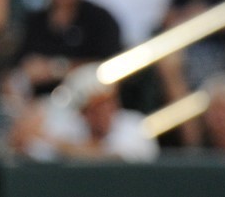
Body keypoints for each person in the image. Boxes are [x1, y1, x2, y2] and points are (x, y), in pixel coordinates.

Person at [6, 0, 122, 99]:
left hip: (89, 108)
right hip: (40, 105)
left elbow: (110, 68)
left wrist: (55, 69)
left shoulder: (99, 18)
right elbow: (17, 67)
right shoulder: (36, 21)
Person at [8, 63, 159, 163]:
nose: (105, 113)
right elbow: (23, 143)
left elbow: (111, 159)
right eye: (96, 108)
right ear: (83, 113)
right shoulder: (73, 128)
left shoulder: (134, 125)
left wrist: (62, 147)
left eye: (109, 104)